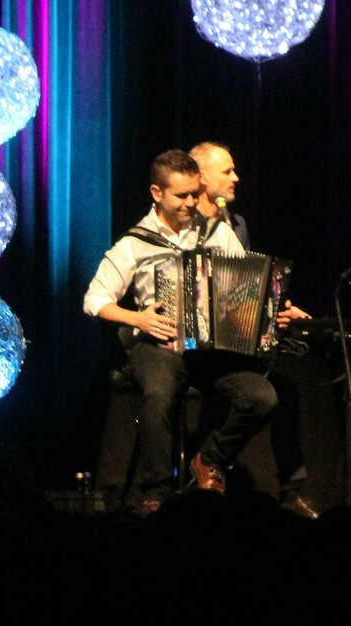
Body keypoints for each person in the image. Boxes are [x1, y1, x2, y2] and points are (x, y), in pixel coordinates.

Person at [83, 149, 307, 515]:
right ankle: (155, 490)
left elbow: (248, 284)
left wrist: (278, 310)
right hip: (158, 343)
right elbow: (94, 299)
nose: (191, 203)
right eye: (181, 196)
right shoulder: (135, 243)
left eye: (193, 193)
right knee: (159, 396)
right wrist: (137, 318)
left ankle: (210, 459)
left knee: (261, 396)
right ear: (157, 193)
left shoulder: (216, 232)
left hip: (209, 348)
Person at [190, 140, 319, 518]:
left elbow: (242, 287)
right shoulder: (181, 222)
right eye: (227, 170)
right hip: (191, 348)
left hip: (231, 344)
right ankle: (206, 467)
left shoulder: (237, 225)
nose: (236, 177)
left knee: (288, 391)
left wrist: (276, 310)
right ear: (201, 177)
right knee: (255, 394)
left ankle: (292, 491)